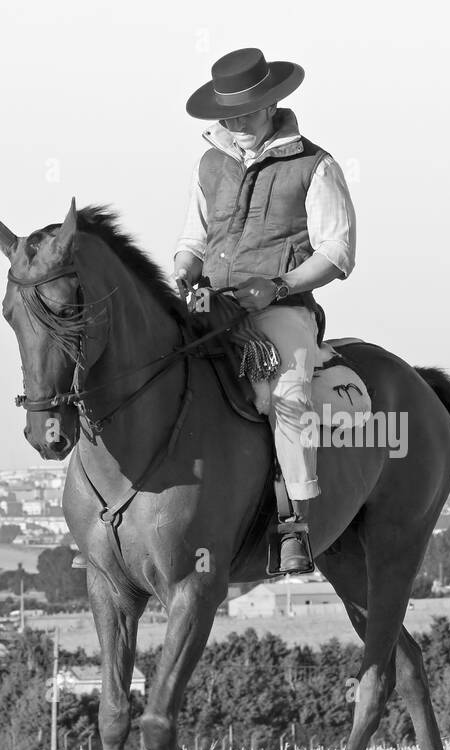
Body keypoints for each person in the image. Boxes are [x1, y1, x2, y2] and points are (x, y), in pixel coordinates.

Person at [173, 47, 356, 574]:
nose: (235, 124)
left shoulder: (316, 166)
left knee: (288, 396)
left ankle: (295, 521)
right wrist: (183, 268)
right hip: (211, 301)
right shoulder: (209, 162)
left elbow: (337, 253)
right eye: (227, 115)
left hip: (281, 307)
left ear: (272, 103)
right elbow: (194, 238)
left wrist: (278, 286)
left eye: (245, 113)